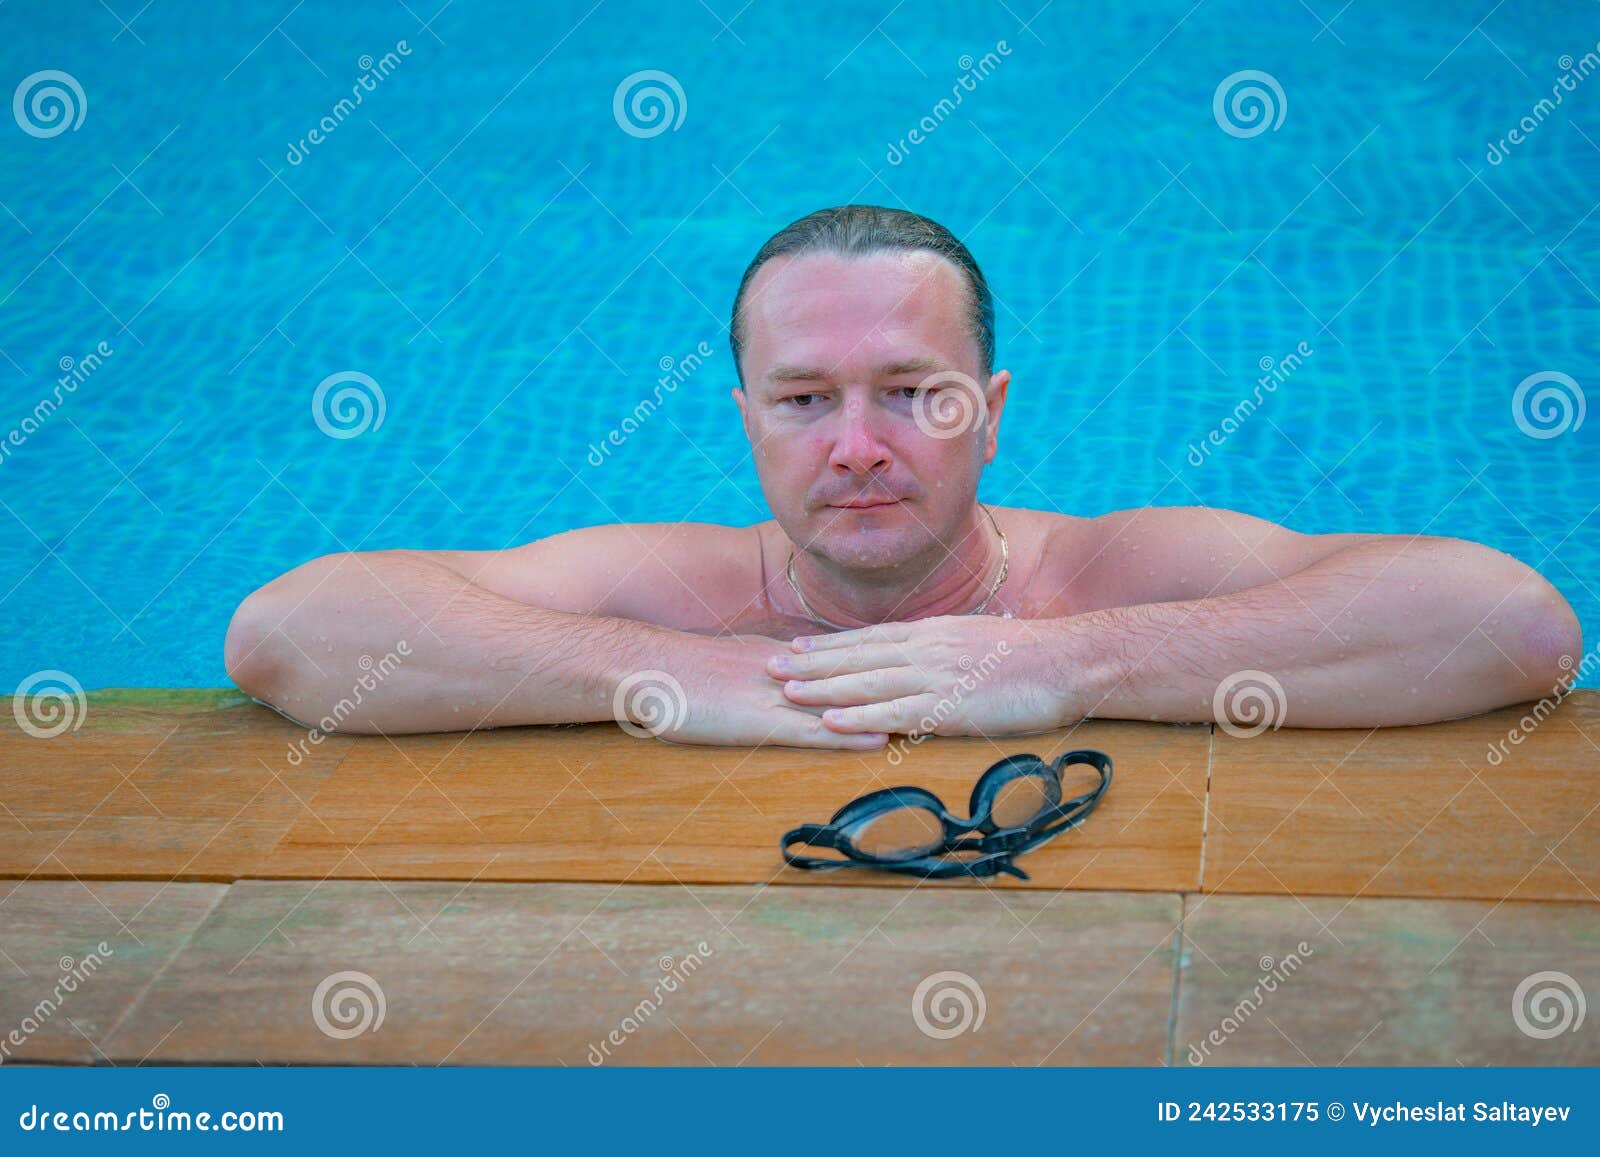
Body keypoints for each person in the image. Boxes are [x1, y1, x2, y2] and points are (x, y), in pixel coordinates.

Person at [224, 205, 1582, 749]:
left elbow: (1514, 623)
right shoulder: (682, 594)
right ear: (748, 422)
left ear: (987, 415)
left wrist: (1070, 665)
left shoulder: (1099, 573)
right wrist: (689, 682)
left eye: (914, 395)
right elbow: (289, 631)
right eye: (807, 400)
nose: (857, 446)